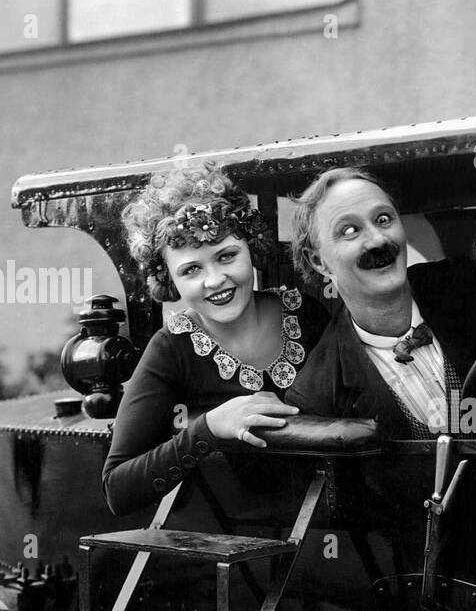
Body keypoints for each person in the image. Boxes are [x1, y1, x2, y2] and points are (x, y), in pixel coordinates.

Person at [102, 162, 330, 515]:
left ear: (251, 249)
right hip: (242, 545)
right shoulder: (170, 349)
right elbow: (119, 489)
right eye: (191, 269)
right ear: (168, 280)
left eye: (226, 256)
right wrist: (209, 428)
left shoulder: (307, 315)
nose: (214, 280)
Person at [285, 167, 476, 438]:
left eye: (384, 219)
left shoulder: (453, 284)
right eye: (350, 230)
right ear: (318, 261)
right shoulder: (318, 393)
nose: (377, 240)